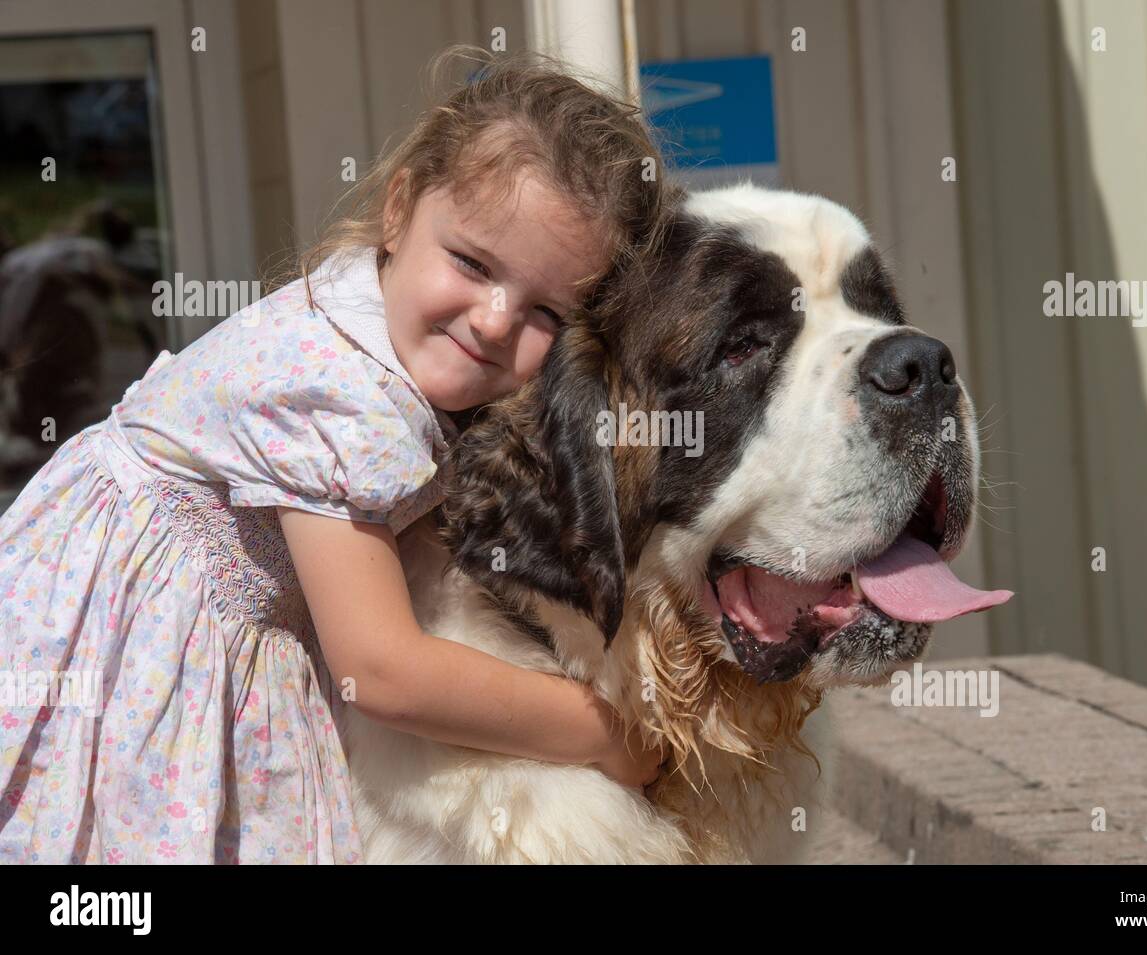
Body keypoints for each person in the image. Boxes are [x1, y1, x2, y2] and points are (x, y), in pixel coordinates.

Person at [0, 46, 673, 864]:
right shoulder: (340, 391)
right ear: (398, 210)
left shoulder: (372, 311)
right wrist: (603, 734)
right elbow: (383, 669)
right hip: (130, 646)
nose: (496, 320)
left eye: (545, 312)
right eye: (471, 262)